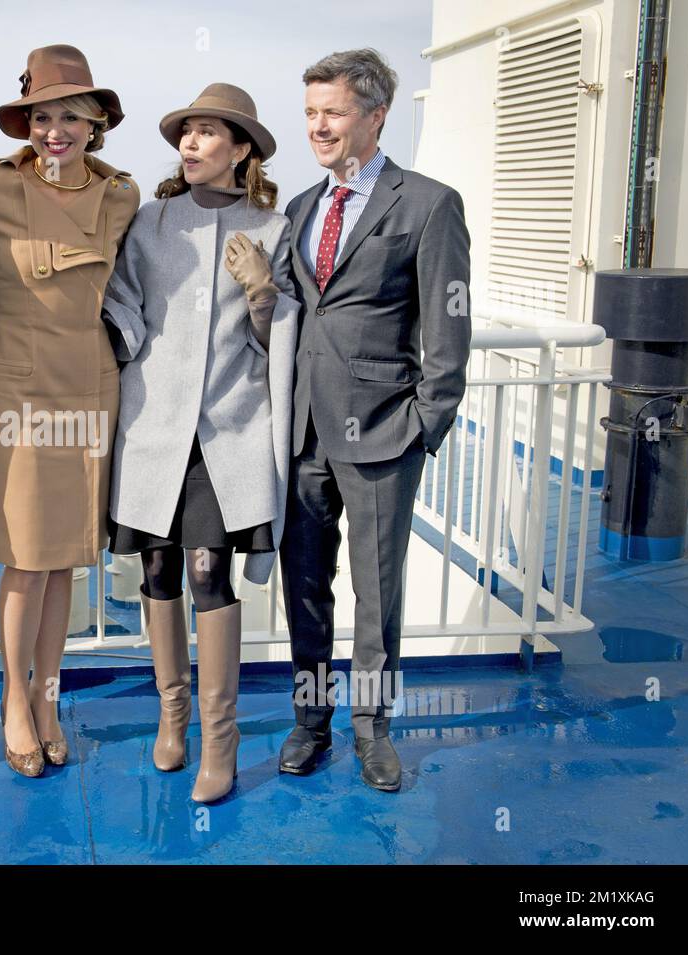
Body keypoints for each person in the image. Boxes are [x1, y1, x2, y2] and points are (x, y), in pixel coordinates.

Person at [276, 49, 471, 792]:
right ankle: (311, 720)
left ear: (376, 114)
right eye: (310, 114)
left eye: (332, 112)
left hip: (386, 431)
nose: (317, 127)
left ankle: (373, 728)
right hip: (303, 437)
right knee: (304, 584)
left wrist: (426, 422)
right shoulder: (301, 207)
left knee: (376, 591)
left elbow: (450, 328)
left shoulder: (426, 203)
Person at [101, 84, 299, 804]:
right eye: (186, 133)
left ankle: (222, 737)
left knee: (209, 569)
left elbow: (279, 342)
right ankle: (172, 715)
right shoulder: (150, 223)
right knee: (158, 570)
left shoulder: (273, 229)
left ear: (241, 149)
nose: (190, 144)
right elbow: (122, 306)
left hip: (228, 428)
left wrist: (261, 294)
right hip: (152, 425)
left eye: (209, 133)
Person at [0, 45, 139, 777]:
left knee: (67, 555)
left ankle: (48, 698)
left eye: (70, 115)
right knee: (26, 556)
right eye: (42, 116)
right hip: (19, 391)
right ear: (26, 121)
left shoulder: (123, 197)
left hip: (92, 387)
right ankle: (14, 698)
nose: (54, 130)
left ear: (96, 122)